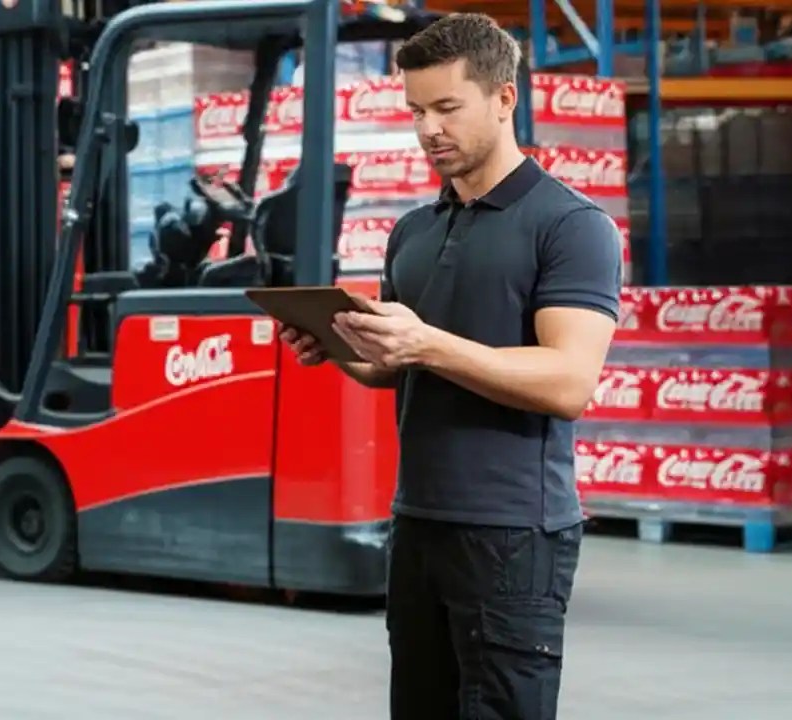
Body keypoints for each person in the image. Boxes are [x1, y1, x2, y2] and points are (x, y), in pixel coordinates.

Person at [279, 13, 622, 720]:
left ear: (503, 99)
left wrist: (426, 341)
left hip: (513, 534)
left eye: (446, 107)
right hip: (418, 523)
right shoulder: (414, 230)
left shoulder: (571, 225)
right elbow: (397, 370)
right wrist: (339, 345)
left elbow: (568, 382)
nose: (429, 128)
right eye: (415, 110)